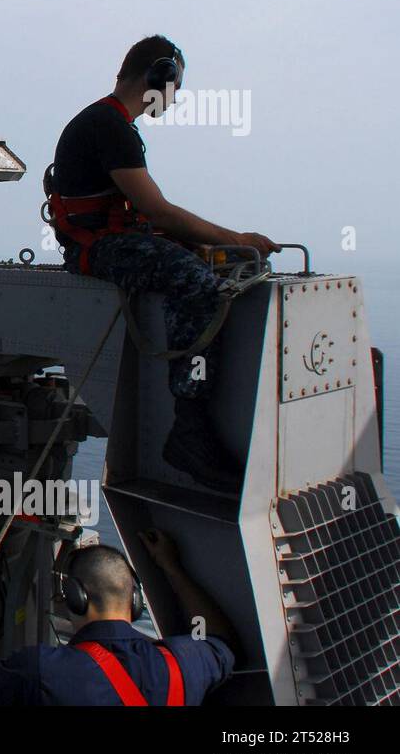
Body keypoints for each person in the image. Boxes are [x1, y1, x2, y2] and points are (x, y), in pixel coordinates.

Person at [44, 35, 279, 491]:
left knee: (202, 261)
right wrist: (237, 239)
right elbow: (159, 211)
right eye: (175, 86)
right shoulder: (110, 127)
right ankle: (189, 429)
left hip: (106, 241)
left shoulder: (109, 123)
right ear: (159, 77)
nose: (175, 99)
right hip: (97, 249)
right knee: (197, 282)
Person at [0, 531, 235, 706]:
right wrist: (171, 567)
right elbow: (222, 640)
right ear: (135, 600)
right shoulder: (183, 662)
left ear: (75, 596)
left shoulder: (44, 670)